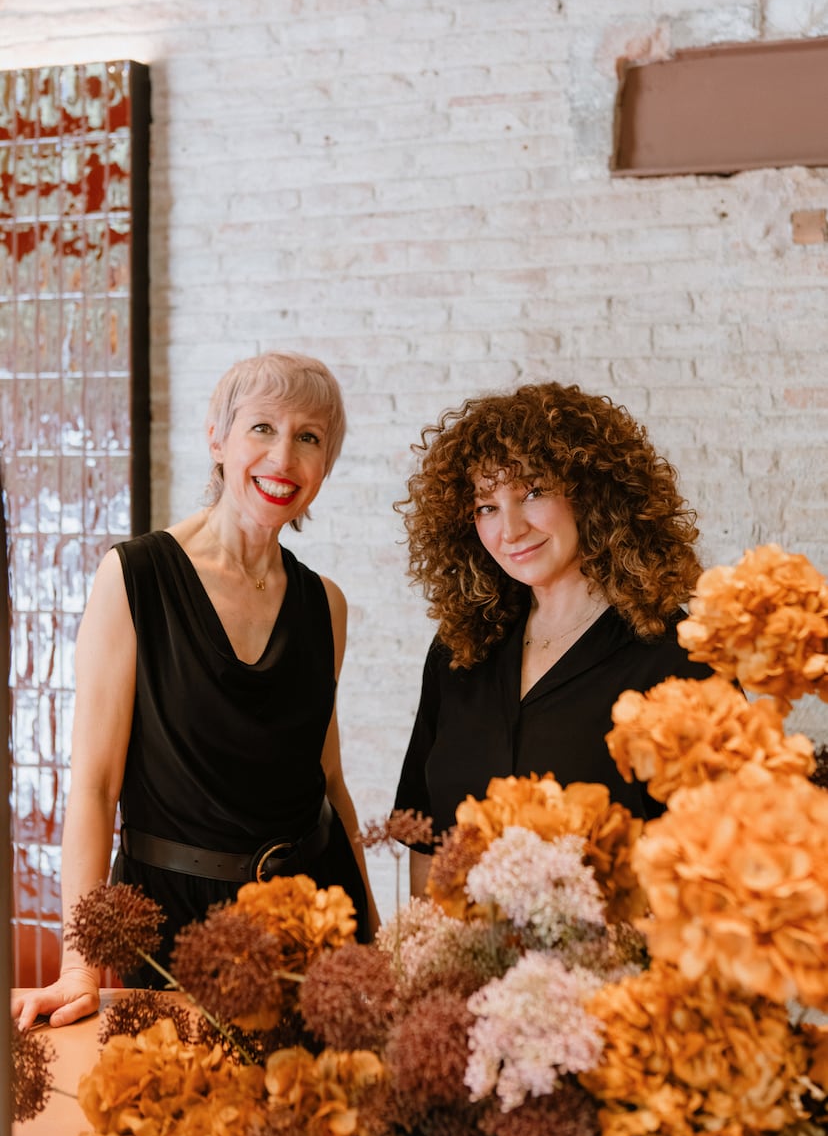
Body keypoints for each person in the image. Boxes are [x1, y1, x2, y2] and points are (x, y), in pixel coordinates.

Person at [14, 351, 379, 1030]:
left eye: (309, 437)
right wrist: (78, 966)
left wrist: (375, 946)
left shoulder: (325, 604)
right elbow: (94, 784)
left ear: (325, 464)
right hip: (176, 924)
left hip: (314, 913)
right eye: (262, 428)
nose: (284, 457)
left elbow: (329, 780)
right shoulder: (134, 577)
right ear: (217, 439)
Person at [393, 380, 714, 897]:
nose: (510, 530)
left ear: (592, 492)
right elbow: (425, 836)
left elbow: (714, 868)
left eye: (533, 493)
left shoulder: (678, 657)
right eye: (486, 506)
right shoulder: (460, 648)